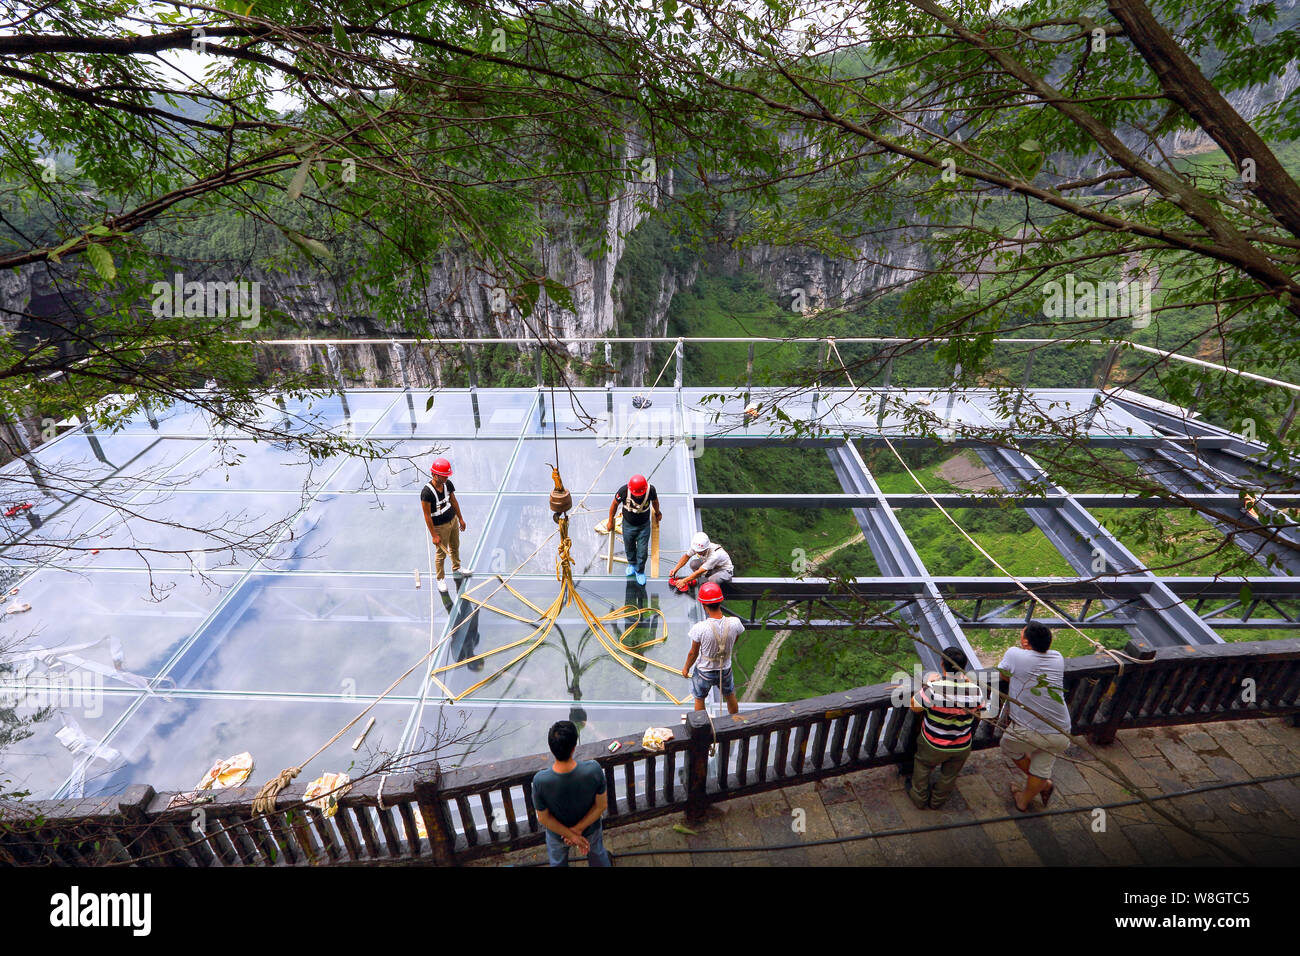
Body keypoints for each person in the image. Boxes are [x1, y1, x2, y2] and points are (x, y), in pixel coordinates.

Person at [999, 621, 1072, 812]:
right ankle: (1024, 799)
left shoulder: (1014, 655)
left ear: (1025, 642)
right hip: (1061, 730)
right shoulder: (1057, 657)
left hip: (1028, 730)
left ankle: (1043, 784)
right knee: (1043, 764)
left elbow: (1004, 675)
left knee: (1008, 745)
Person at [907, 646, 987, 810]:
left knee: (923, 766)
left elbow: (914, 707)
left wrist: (930, 683)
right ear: (964, 667)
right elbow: (983, 712)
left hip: (933, 743)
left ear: (942, 664)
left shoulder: (934, 689)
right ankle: (937, 801)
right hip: (962, 743)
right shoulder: (975, 691)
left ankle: (919, 798)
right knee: (949, 775)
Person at [531, 720, 612, 867]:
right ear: (574, 747)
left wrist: (570, 835)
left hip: (558, 834)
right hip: (590, 829)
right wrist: (578, 830)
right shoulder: (593, 769)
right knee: (598, 855)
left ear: (551, 748)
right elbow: (601, 806)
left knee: (557, 862)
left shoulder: (540, 781)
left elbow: (543, 818)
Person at [680, 582, 744, 714]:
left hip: (705, 671)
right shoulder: (735, 623)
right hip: (724, 669)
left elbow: (693, 653)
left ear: (704, 605)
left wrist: (686, 668)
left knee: (699, 698)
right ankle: (735, 723)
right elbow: (735, 638)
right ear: (720, 602)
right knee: (730, 695)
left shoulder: (700, 628)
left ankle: (701, 727)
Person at [420, 457, 466, 592]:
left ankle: (457, 567)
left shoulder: (448, 484)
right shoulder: (427, 493)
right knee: (441, 553)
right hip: (440, 526)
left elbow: (454, 501)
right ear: (435, 475)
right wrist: (434, 534)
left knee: (455, 546)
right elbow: (427, 515)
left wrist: (460, 518)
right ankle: (440, 578)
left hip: (452, 520)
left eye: (447, 476)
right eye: (444, 476)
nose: (446, 478)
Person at [608, 473, 661, 586]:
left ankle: (640, 570)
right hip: (628, 524)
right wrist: (610, 521)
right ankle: (632, 563)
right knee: (629, 545)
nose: (637, 496)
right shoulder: (623, 491)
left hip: (643, 526)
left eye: (639, 494)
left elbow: (655, 502)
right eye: (635, 494)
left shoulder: (650, 490)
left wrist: (657, 513)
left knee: (642, 550)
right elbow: (614, 505)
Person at [669, 532, 734, 592]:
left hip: (724, 571)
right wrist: (675, 569)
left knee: (712, 580)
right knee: (694, 564)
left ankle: (711, 593)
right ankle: (701, 581)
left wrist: (684, 581)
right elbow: (686, 557)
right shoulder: (696, 547)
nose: (697, 552)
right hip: (711, 568)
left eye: (700, 551)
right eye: (696, 551)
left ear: (706, 548)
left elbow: (700, 571)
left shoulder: (715, 555)